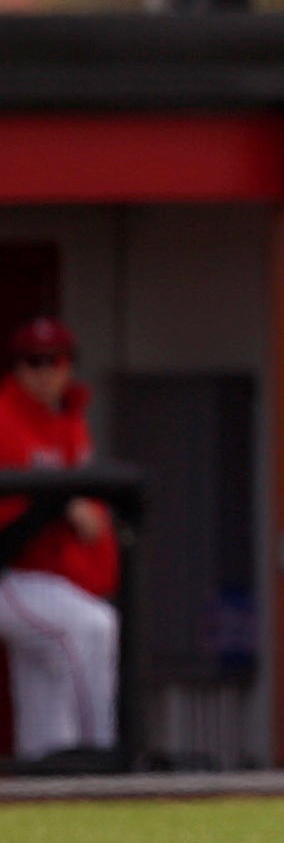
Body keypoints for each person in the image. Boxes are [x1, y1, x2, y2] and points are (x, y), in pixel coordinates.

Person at [0, 316, 120, 764]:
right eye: (33, 361)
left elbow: (92, 515)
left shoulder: (69, 419)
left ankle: (46, 787)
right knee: (91, 627)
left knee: (45, 682)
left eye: (55, 360)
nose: (45, 371)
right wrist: (61, 503)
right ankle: (100, 757)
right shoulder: (5, 417)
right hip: (13, 575)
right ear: (17, 367)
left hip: (51, 578)